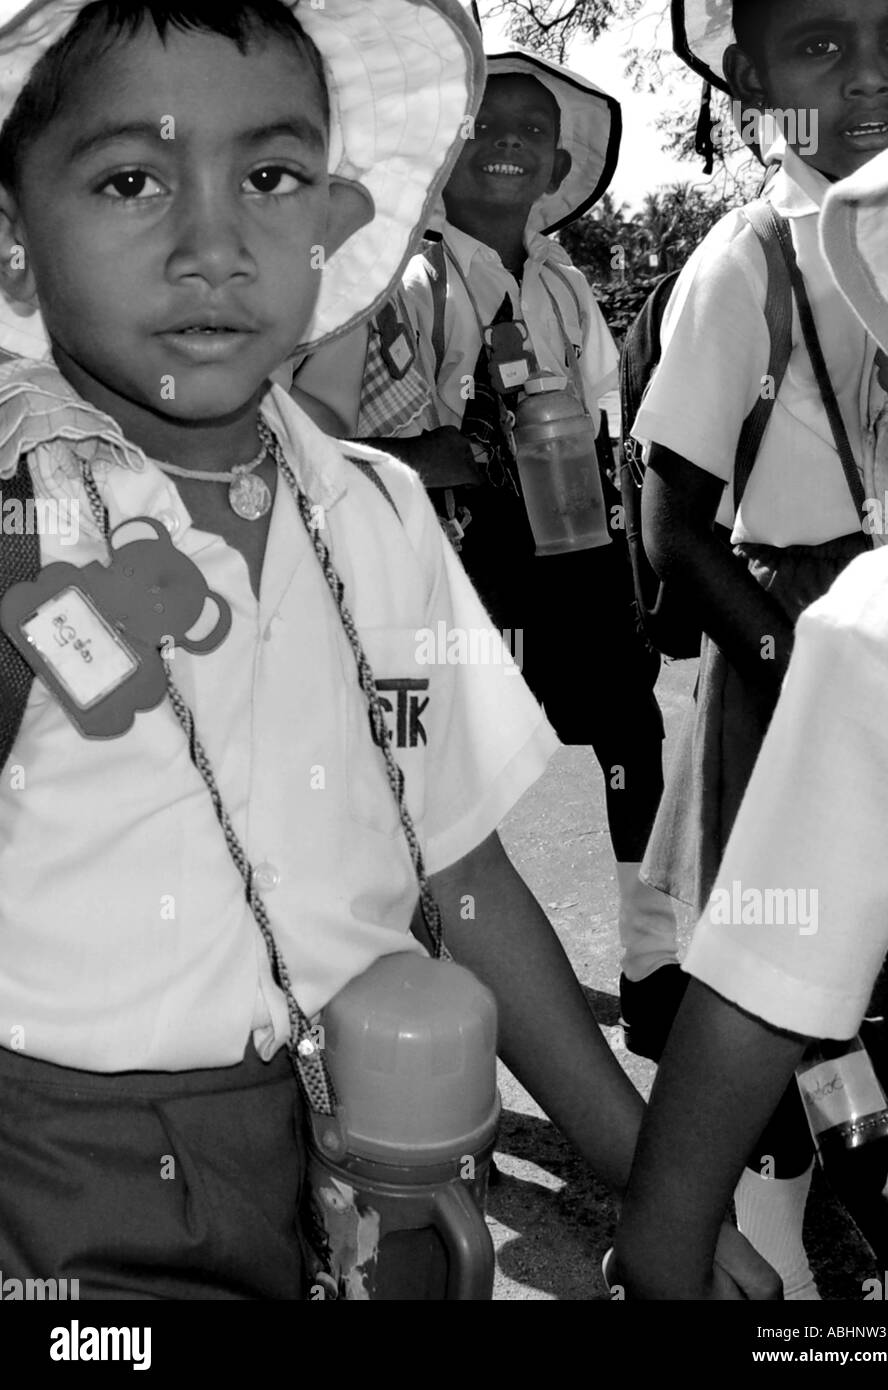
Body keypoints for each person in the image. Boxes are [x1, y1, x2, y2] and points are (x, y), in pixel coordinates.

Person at [0, 0, 772, 1302]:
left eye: (270, 177)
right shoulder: (29, 500)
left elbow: (462, 880)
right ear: (21, 237)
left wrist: (659, 1190)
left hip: (276, 1143)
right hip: (42, 1177)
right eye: (132, 177)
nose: (210, 243)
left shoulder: (362, 514)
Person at [630, 0, 888, 1298]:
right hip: (805, 656)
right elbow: (669, 525)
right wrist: (794, 653)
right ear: (752, 77)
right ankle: (760, 1263)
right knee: (789, 1002)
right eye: (817, 43)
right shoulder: (749, 255)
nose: (867, 70)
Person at [294, 47, 681, 1062]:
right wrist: (447, 451)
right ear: (445, 152)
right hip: (458, 567)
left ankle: (649, 959)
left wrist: (629, 559)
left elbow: (609, 427)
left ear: (557, 169)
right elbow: (333, 444)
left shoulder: (560, 286)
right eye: (486, 126)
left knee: (630, 735)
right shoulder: (405, 281)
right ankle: (439, 1002)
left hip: (573, 553)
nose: (508, 145)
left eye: (531, 134)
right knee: (441, 786)